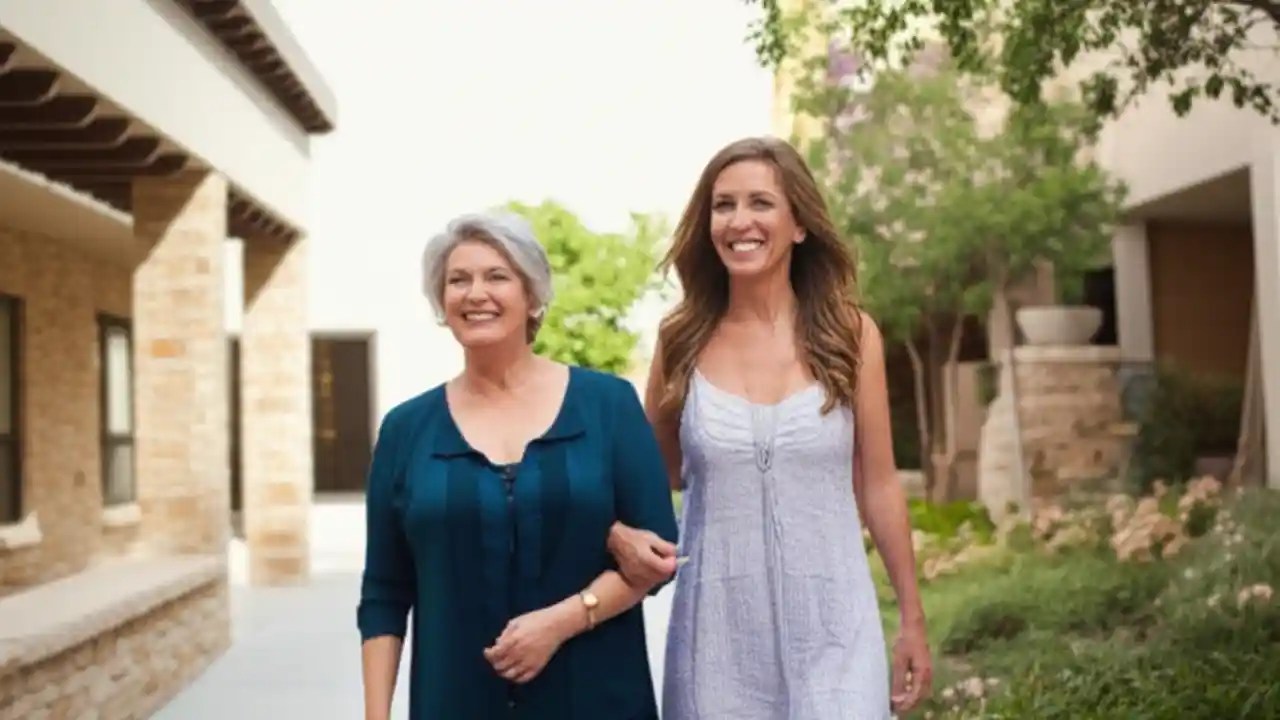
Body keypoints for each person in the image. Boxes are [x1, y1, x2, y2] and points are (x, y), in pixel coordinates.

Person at [606, 136, 933, 719]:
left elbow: (879, 484)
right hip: (717, 640)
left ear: (800, 223)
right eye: (723, 205)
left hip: (837, 631)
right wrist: (615, 532)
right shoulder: (679, 340)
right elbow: (647, 481)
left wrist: (911, 619)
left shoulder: (852, 336)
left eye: (760, 202)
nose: (739, 221)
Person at [357, 210, 679, 720]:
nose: (474, 293)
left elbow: (659, 557)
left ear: (532, 296)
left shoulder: (608, 406)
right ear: (441, 302)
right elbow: (384, 591)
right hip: (455, 702)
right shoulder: (406, 430)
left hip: (596, 699)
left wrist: (565, 620)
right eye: (458, 280)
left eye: (497, 276)